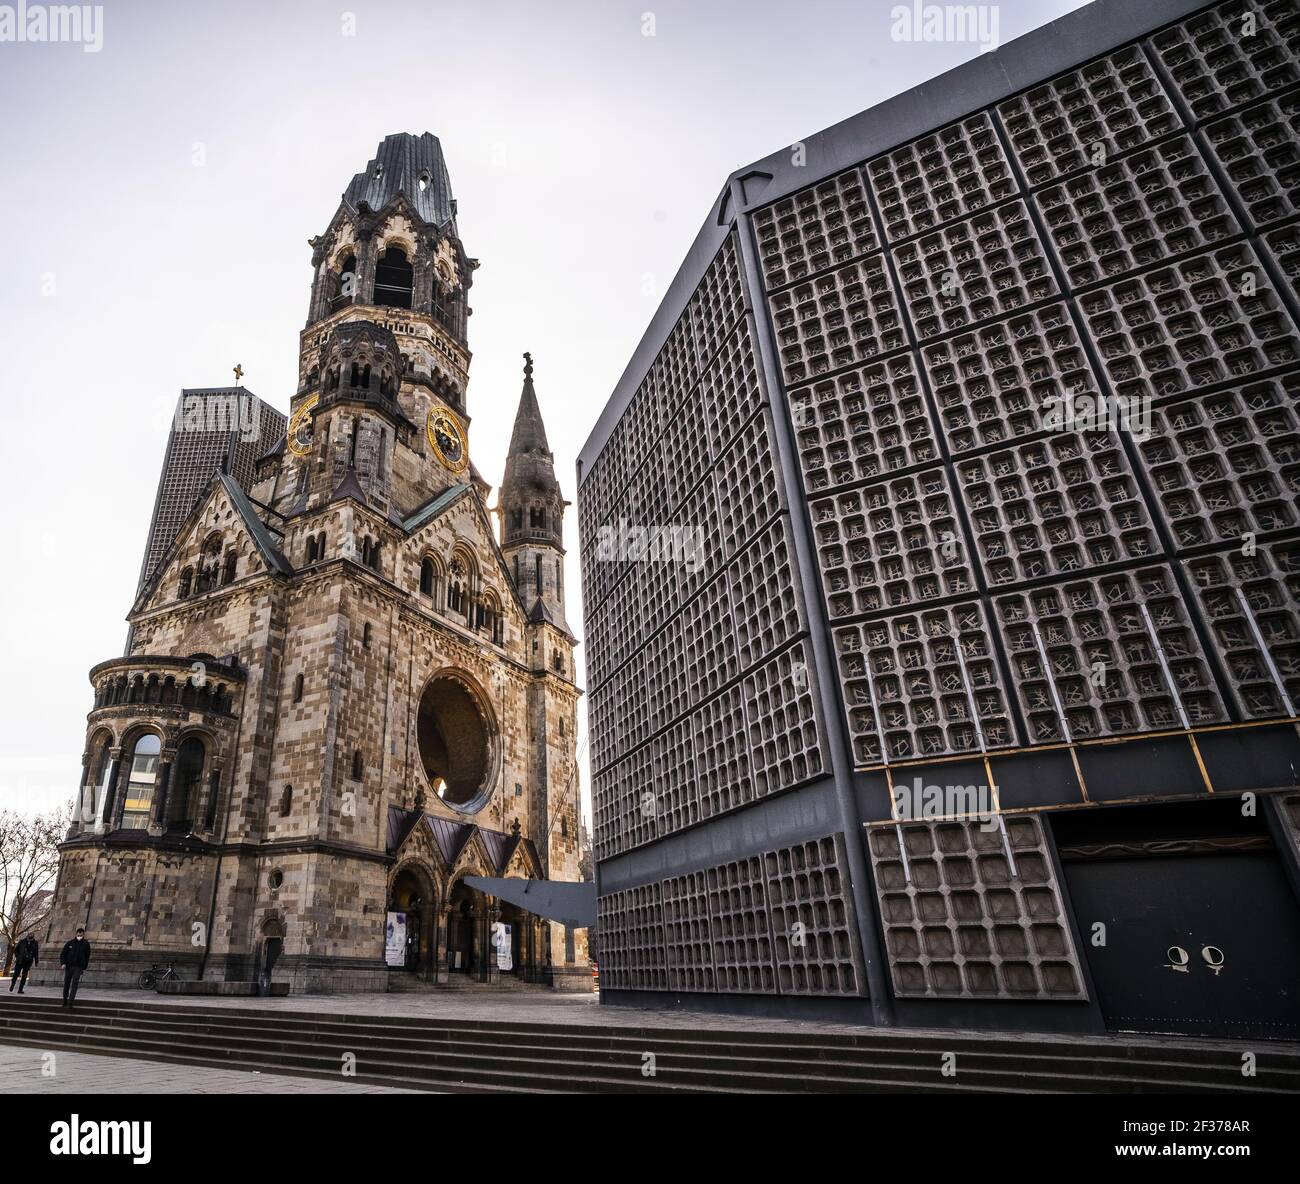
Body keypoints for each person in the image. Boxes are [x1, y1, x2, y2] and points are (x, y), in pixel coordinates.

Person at [59, 928, 91, 1009]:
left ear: (83, 935)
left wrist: (84, 967)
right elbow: (63, 954)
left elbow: (87, 956)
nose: (79, 936)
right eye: (78, 935)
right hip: (69, 966)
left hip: (78, 967)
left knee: (74, 984)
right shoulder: (70, 943)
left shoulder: (86, 944)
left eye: (81, 935)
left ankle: (70, 1002)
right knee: (66, 984)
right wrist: (63, 963)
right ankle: (64, 1001)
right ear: (76, 934)